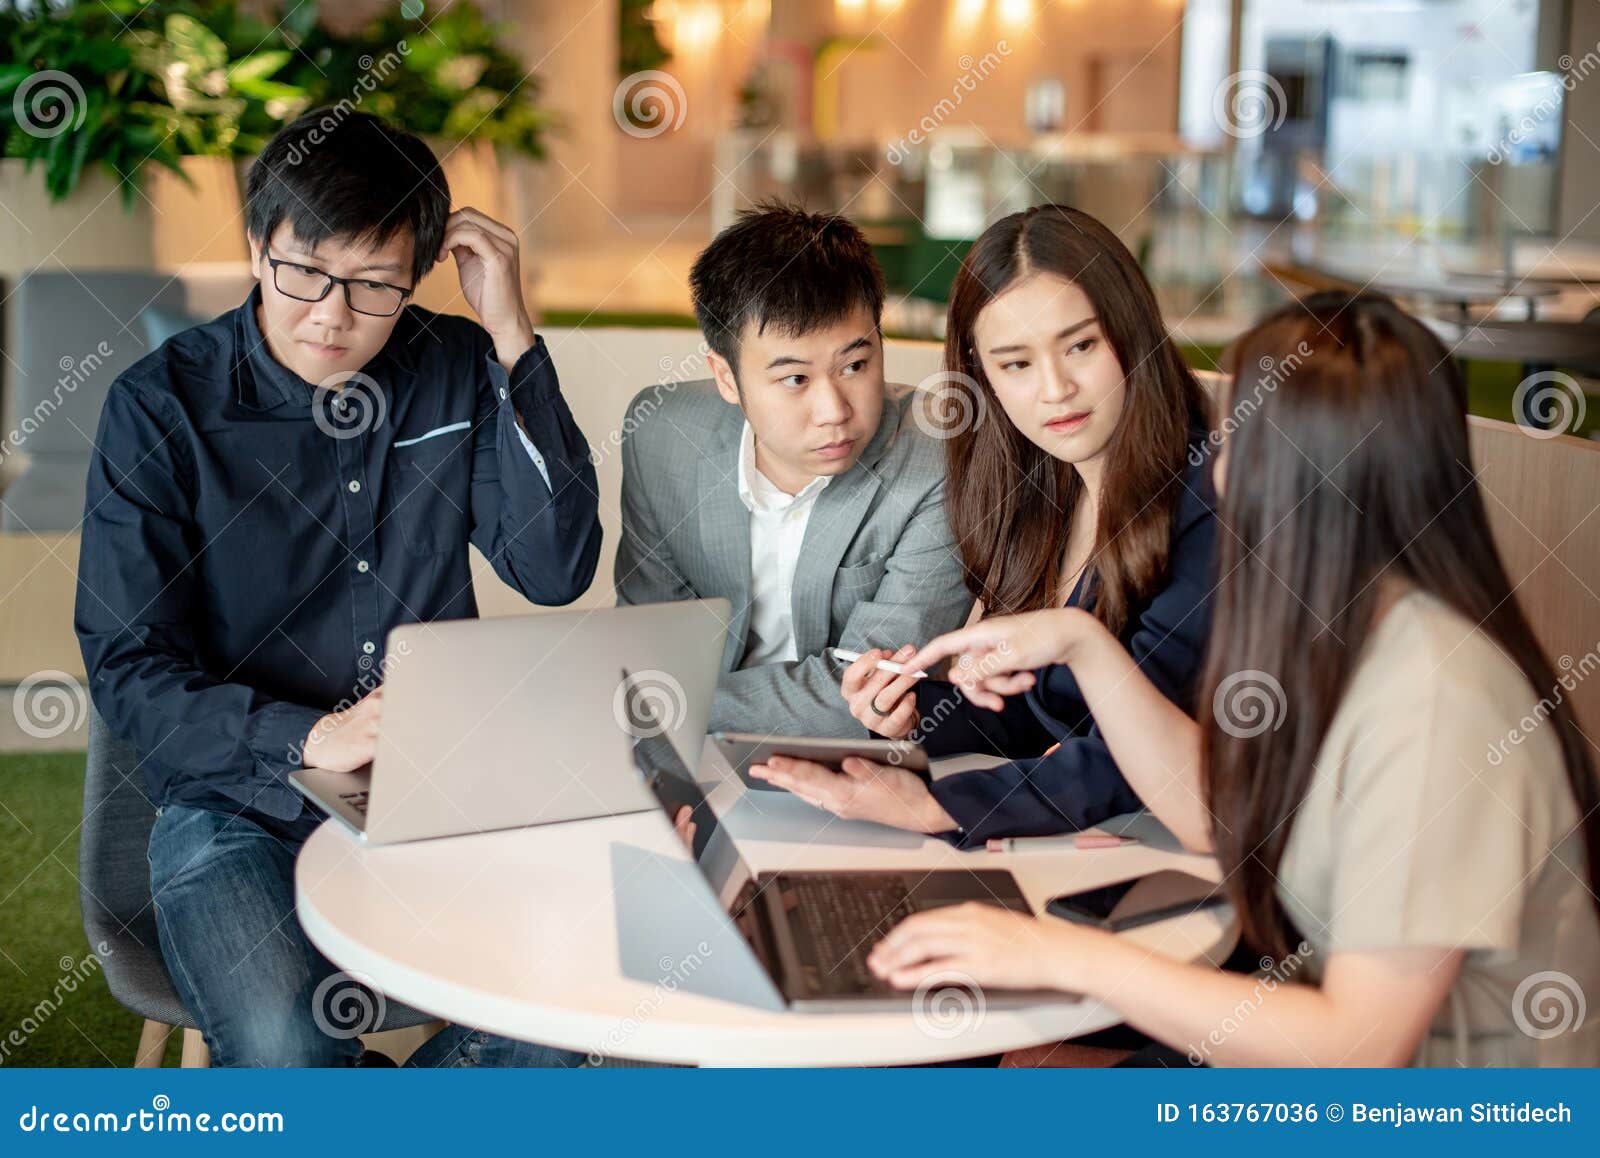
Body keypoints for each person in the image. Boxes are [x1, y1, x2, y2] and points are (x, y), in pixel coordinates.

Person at [869, 292, 1600, 1067]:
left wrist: (1057, 956)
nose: (1214, 467)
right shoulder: (1348, 631)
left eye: (1240, 439)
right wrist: (1083, 644)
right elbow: (1216, 823)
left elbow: (1359, 1045)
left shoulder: (1440, 701)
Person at [75, 109, 601, 1067]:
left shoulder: (450, 365)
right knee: (286, 1048)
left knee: (581, 1025)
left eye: (373, 285)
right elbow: (126, 665)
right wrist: (309, 737)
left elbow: (555, 568)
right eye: (303, 272)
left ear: (418, 272)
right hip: (238, 809)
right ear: (255, 246)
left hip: (437, 802)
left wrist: (514, 335)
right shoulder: (159, 407)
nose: (331, 314)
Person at [751, 205, 1215, 847]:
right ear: (985, 378)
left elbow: (1135, 747)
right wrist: (915, 717)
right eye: (1016, 363)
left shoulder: (1207, 498)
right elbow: (1032, 714)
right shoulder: (1051, 495)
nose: (1056, 389)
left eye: (1080, 345)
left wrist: (937, 807)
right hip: (1108, 849)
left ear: (1132, 333)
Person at [614, 203, 972, 737]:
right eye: (795, 380)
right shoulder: (662, 436)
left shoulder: (939, 456)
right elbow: (649, 640)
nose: (834, 411)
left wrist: (664, 706)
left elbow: (872, 691)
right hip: (690, 756)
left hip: (864, 764)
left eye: (855, 365)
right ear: (726, 378)